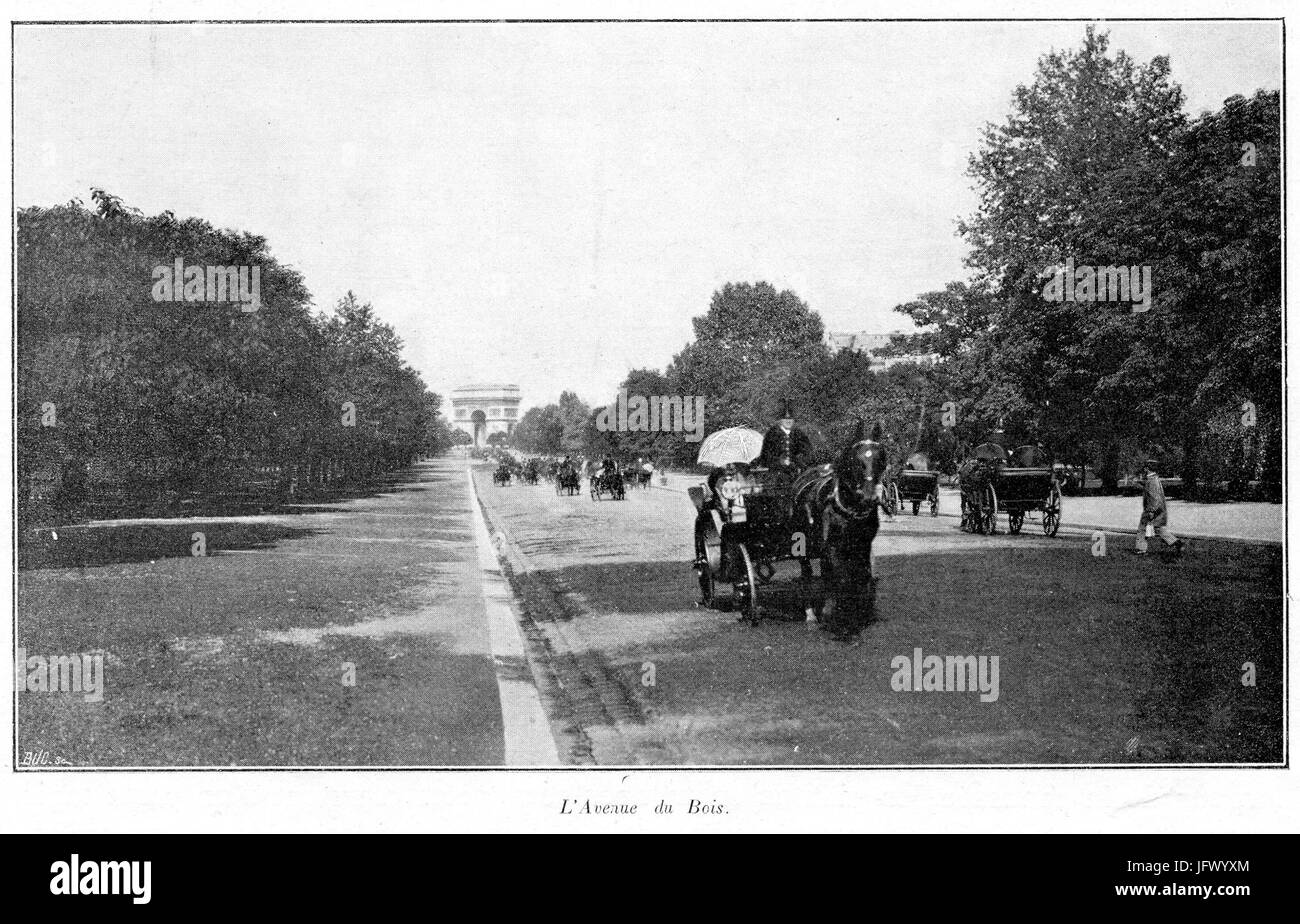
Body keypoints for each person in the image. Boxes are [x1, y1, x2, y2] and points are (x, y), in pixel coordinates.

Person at [1136, 460, 1186, 556]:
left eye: (1144, 468)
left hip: (1152, 509)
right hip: (1159, 509)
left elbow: (1154, 497)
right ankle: (1176, 543)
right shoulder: (1154, 479)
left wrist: (1151, 511)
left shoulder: (1151, 480)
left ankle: (1141, 549)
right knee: (1159, 528)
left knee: (1142, 528)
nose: (1143, 469)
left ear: (1147, 468)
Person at [754, 399, 813, 477]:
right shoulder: (771, 434)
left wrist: (798, 461)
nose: (788, 421)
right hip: (776, 474)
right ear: (780, 420)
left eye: (790, 419)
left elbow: (807, 452)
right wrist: (780, 462)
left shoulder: (799, 434)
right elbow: (765, 457)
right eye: (785, 419)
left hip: (797, 473)